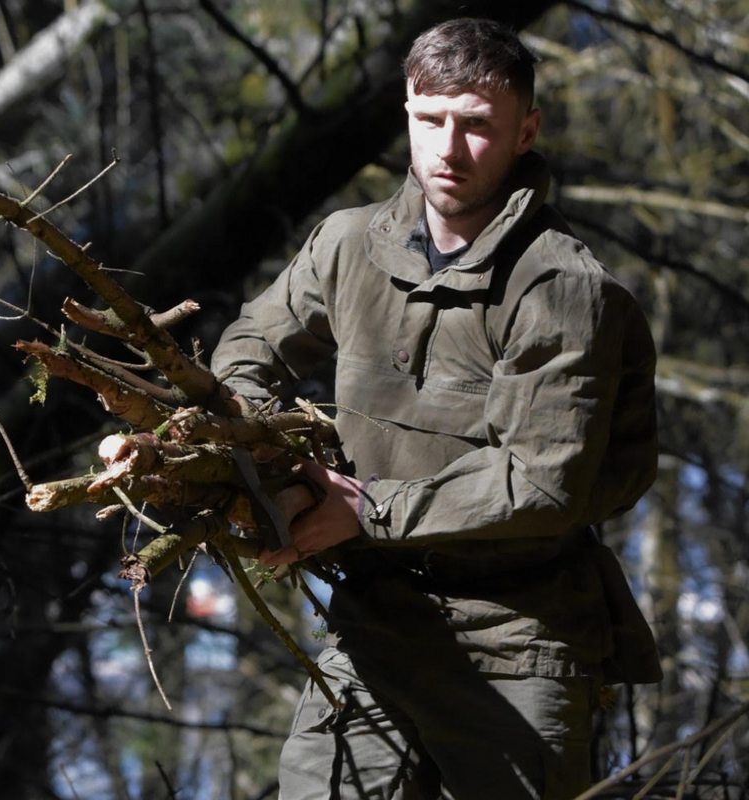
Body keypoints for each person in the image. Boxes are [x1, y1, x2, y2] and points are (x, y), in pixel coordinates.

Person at [212, 17, 662, 800]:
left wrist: (366, 511)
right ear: (407, 113)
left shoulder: (560, 290)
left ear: (527, 130)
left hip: (518, 638)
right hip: (372, 618)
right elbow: (250, 347)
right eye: (431, 121)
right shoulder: (347, 244)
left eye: (478, 126)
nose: (448, 151)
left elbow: (542, 481)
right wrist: (277, 469)